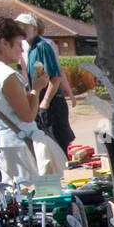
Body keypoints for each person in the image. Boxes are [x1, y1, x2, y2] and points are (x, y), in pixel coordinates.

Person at [0, 16, 66, 181]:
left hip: (0, 144)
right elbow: (27, 116)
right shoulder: (6, 75)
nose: (22, 50)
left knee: (15, 195)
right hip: (20, 144)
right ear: (4, 43)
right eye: (19, 44)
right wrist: (36, 88)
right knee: (37, 197)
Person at [15, 12, 74, 152]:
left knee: (58, 147)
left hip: (52, 104)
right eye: (19, 27)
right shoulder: (30, 49)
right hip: (41, 104)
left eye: (25, 26)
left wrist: (45, 103)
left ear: (34, 29)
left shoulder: (42, 46)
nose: (21, 30)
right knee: (48, 148)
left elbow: (56, 76)